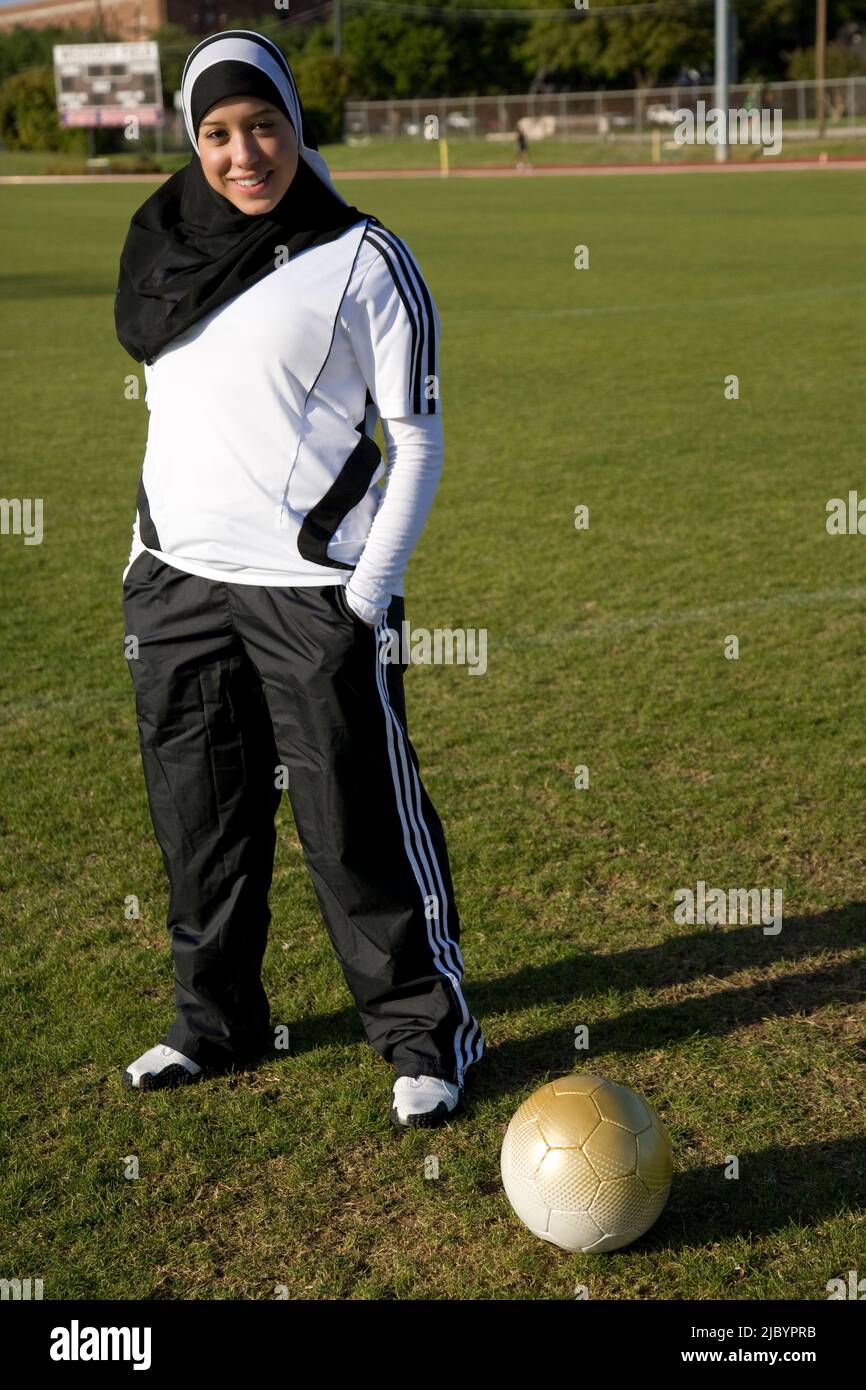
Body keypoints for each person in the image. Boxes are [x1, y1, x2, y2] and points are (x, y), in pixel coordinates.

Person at [114, 29, 484, 1128]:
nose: (243, 153)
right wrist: (142, 556)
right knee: (200, 823)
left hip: (313, 595)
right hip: (175, 588)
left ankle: (423, 1036)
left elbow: (416, 438)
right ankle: (209, 1023)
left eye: (262, 124)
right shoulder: (160, 245)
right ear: (193, 139)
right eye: (218, 133)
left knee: (353, 821)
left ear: (294, 123)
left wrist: (364, 598)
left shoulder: (364, 257)